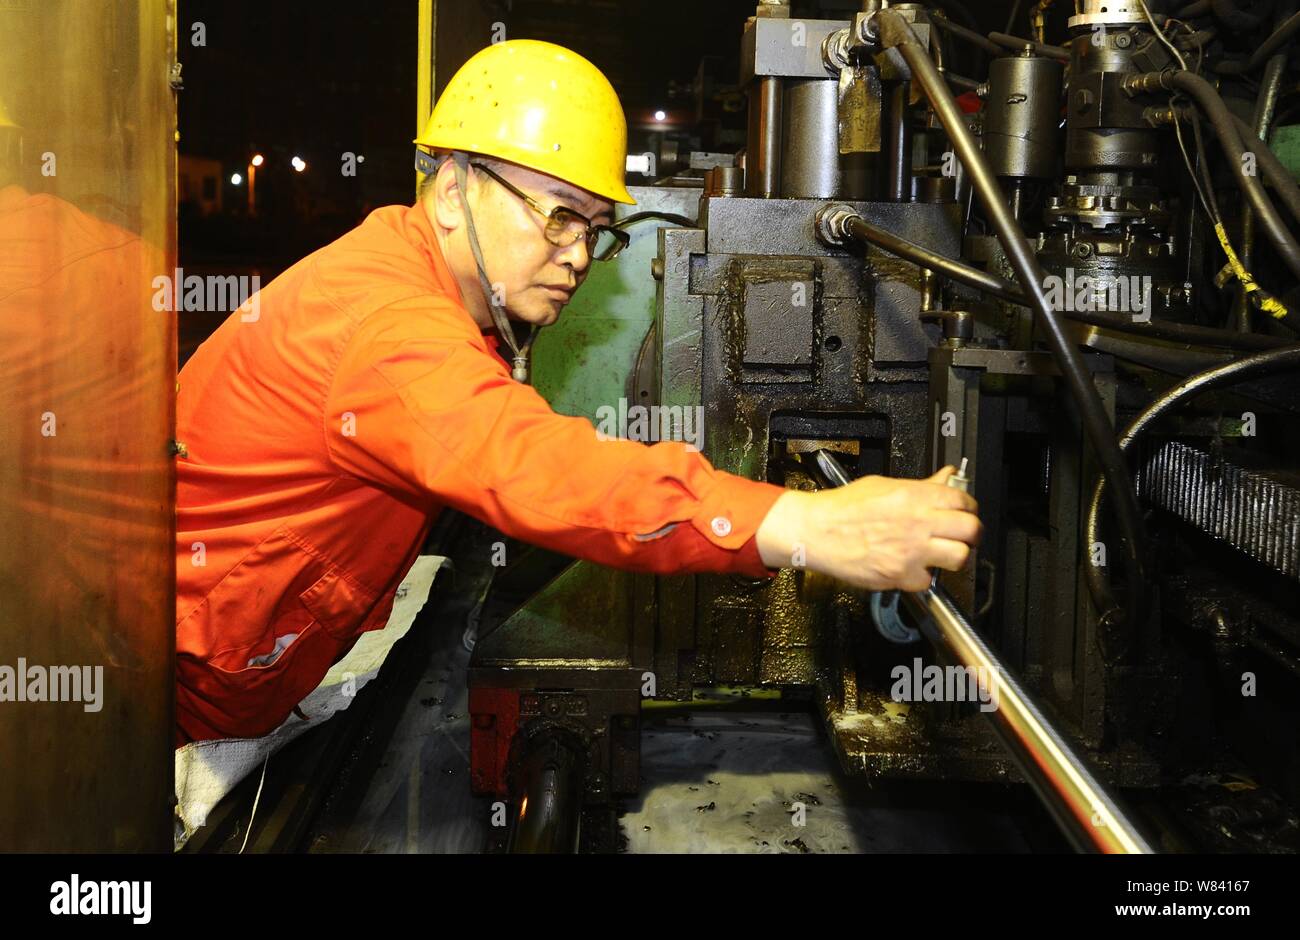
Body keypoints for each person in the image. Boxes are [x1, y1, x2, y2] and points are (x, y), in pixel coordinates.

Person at [174, 39, 980, 745]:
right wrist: (807, 523)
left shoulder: (419, 283)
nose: (579, 255)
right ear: (453, 190)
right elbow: (537, 468)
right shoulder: (389, 327)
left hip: (252, 665)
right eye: (558, 216)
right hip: (189, 702)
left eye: (596, 228)